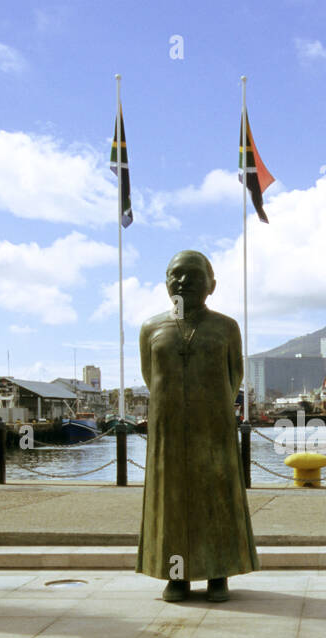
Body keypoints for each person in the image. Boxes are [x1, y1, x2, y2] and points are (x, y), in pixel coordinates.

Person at [137, 250, 258, 601]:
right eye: (175, 274)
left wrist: (210, 409)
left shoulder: (225, 327)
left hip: (214, 428)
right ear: (165, 283)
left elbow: (233, 376)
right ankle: (177, 576)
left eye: (193, 274)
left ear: (212, 285)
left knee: (218, 499)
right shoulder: (151, 328)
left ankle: (218, 574)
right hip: (168, 432)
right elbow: (151, 377)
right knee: (170, 504)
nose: (183, 281)